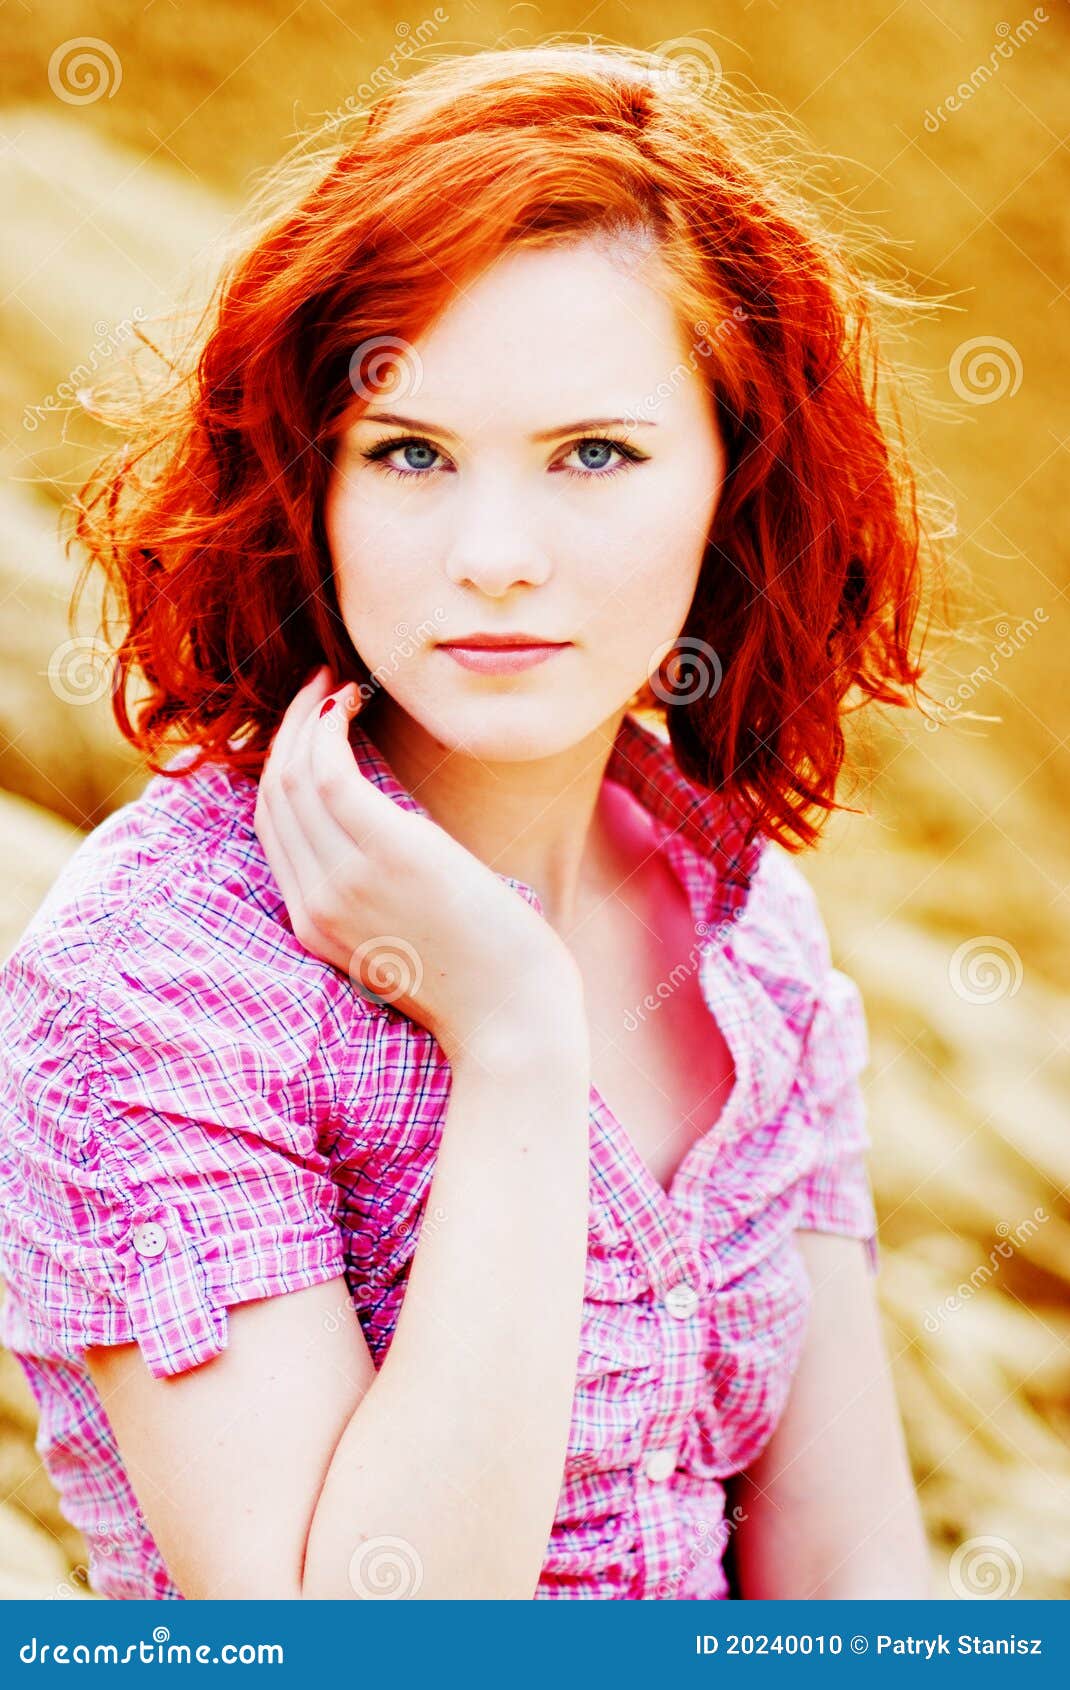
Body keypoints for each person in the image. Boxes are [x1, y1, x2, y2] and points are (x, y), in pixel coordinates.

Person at [0, 41, 939, 1600]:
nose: (496, 553)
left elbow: (851, 1588)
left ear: (735, 479)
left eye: (594, 454)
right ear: (311, 480)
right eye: (411, 453)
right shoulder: (156, 975)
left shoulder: (736, 907)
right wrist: (513, 1035)